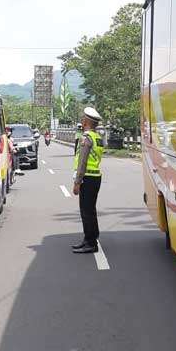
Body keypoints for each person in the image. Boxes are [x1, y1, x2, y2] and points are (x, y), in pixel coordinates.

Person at [71, 107, 104, 253]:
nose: (81, 120)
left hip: (87, 178)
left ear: (86, 122)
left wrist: (77, 182)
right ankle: (89, 239)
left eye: (83, 118)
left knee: (86, 211)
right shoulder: (97, 137)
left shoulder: (86, 138)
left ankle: (91, 243)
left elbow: (82, 162)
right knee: (90, 210)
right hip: (95, 177)